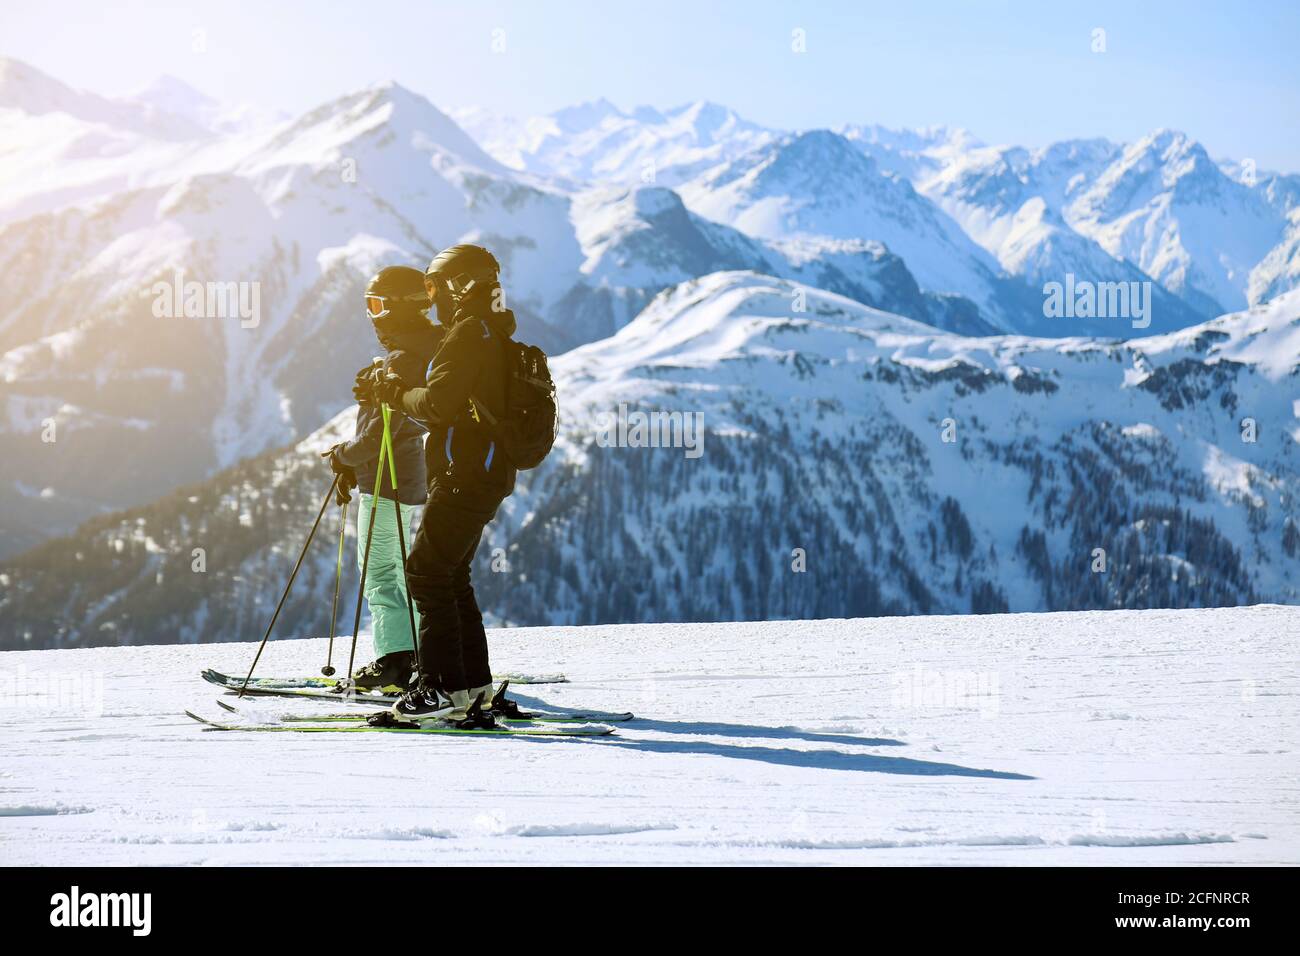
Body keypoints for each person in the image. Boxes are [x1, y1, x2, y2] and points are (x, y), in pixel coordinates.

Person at [363, 244, 518, 725]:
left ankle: (440, 692)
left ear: (458, 286)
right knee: (450, 575)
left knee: (426, 573)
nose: (432, 298)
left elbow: (436, 405)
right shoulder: (491, 331)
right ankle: (472, 688)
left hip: (464, 472)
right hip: (485, 470)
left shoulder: (468, 333)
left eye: (435, 287)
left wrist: (392, 391)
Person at [323, 265, 442, 691]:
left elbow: (382, 434)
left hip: (389, 480)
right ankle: (413, 654)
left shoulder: (405, 358)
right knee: (399, 568)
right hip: (407, 477)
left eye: (377, 305)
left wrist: (344, 457)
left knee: (381, 572)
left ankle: (394, 663)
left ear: (397, 307)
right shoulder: (423, 348)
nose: (372, 315)